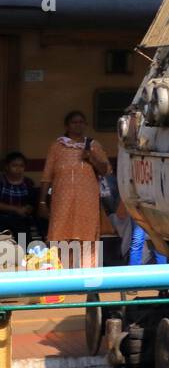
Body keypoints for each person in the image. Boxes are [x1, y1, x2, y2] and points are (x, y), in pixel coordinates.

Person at [38, 111, 110, 268]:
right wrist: (42, 202)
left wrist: (91, 158)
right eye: (74, 122)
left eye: (81, 122)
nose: (78, 125)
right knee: (61, 234)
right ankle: (62, 273)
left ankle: (87, 276)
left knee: (87, 235)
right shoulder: (57, 146)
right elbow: (46, 176)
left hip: (87, 200)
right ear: (67, 125)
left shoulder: (93, 145)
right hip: (62, 200)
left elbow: (105, 170)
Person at [0, 151, 39, 239]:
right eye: (14, 165)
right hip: (2, 218)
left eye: (21, 166)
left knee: (24, 242)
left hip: (21, 219)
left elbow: (32, 202)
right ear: (6, 166)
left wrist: (28, 209)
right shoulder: (1, 181)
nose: (18, 169)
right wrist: (16, 209)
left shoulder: (28, 182)